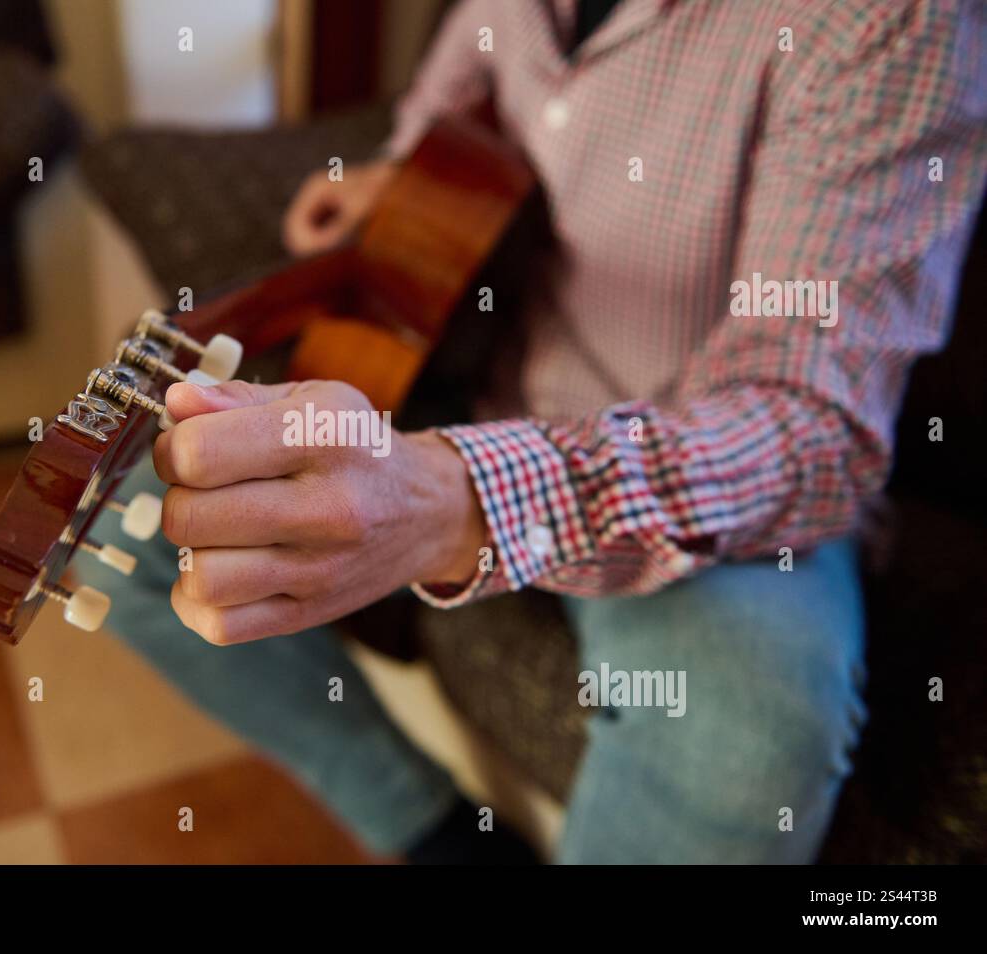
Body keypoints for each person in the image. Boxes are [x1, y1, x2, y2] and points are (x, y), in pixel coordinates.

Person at [73, 0, 987, 862]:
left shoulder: (889, 22)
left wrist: (459, 498)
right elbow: (444, 103)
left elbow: (813, 430)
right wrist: (392, 182)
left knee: (741, 734)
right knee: (130, 515)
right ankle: (433, 834)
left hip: (696, 456)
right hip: (474, 372)